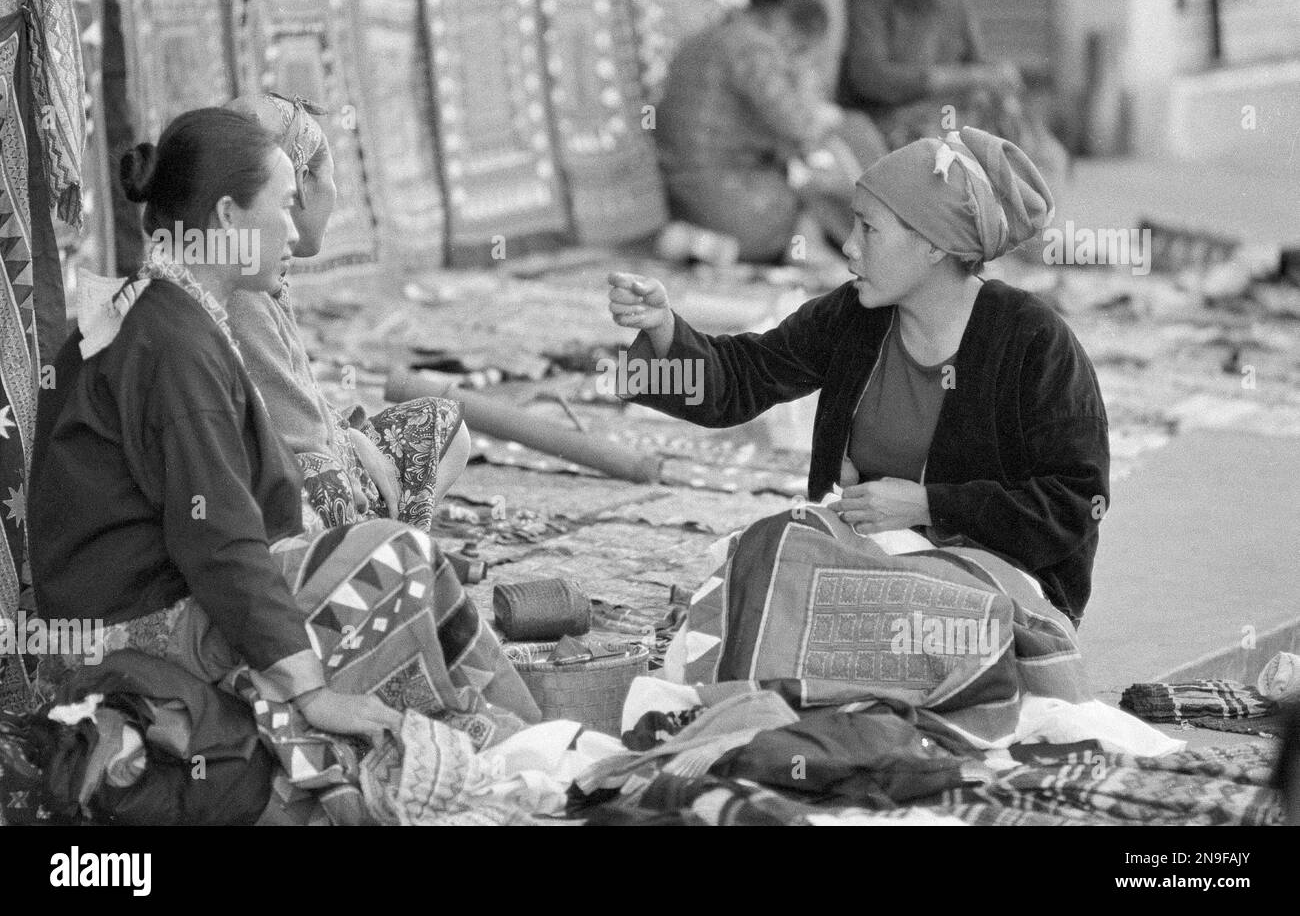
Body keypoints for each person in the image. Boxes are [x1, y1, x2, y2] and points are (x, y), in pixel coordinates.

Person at [29, 108, 539, 820]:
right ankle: (509, 750)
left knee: (397, 560)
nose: (293, 232)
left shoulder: (163, 314)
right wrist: (310, 690)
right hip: (128, 633)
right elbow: (217, 538)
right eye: (282, 205)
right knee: (392, 561)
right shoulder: (169, 341)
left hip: (149, 598)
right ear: (229, 215)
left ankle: (523, 744)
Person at [607, 126, 1108, 626]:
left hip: (997, 595)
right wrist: (664, 329)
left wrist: (930, 506)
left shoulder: (1034, 342)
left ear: (934, 245)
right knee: (750, 577)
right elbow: (742, 378)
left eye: (868, 229)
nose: (848, 247)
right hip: (875, 568)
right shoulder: (855, 316)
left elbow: (1075, 503)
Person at [223, 93, 470, 533]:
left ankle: (386, 543)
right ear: (301, 183)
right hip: (260, 485)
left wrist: (349, 437)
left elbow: (296, 400)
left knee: (442, 426)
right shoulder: (243, 287)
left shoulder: (256, 271)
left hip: (281, 461)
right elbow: (293, 431)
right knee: (323, 477)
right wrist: (343, 452)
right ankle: (379, 550)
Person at [654, 0, 888, 267]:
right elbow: (800, 125)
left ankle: (707, 244)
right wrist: (809, 86)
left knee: (824, 151)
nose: (795, 55)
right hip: (735, 201)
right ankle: (824, 247)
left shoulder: (709, 38)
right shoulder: (753, 48)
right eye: (800, 47)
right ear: (783, 23)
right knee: (839, 147)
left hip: (683, 198)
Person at [837, 0, 1067, 183]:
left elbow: (977, 64)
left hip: (948, 117)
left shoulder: (954, 1)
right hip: (889, 123)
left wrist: (996, 81)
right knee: (947, 166)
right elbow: (869, 77)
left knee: (1038, 152)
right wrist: (955, 79)